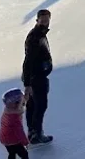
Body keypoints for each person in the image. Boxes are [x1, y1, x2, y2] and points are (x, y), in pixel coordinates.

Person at [22, 9, 53, 145]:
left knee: (33, 105)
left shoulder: (40, 34)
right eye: (43, 20)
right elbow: (28, 60)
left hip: (35, 76)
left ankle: (32, 133)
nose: (45, 22)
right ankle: (37, 133)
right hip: (36, 78)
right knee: (40, 106)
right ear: (37, 20)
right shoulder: (35, 37)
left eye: (47, 19)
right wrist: (28, 84)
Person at [0, 88, 29, 158]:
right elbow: (19, 132)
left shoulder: (7, 111)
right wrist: (25, 142)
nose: (24, 104)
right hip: (13, 139)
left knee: (12, 153)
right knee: (24, 154)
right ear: (17, 104)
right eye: (22, 103)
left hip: (3, 137)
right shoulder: (15, 118)